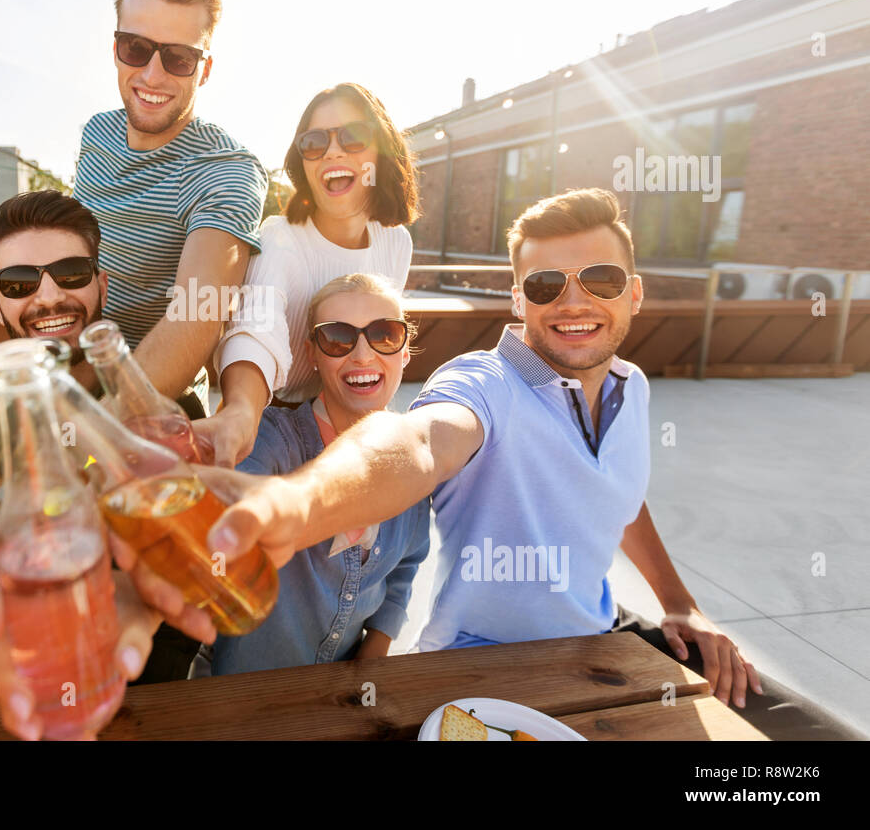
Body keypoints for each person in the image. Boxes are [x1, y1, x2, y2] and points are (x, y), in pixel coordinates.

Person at [200, 189, 858, 739]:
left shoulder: (633, 389)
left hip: (606, 637)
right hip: (493, 669)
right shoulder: (484, 384)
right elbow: (418, 444)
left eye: (597, 279)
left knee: (810, 740)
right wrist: (295, 504)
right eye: (547, 285)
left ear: (633, 293)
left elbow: (617, 497)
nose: (573, 302)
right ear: (520, 299)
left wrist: (683, 606)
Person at [0, 189, 213, 687]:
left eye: (70, 275)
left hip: (141, 695)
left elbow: (190, 584)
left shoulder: (163, 413)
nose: (47, 297)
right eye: (19, 283)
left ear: (101, 285)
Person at [199, 273, 429, 676]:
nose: (362, 355)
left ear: (405, 350)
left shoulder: (418, 452)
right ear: (313, 354)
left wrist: (370, 668)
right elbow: (230, 512)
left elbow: (404, 570)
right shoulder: (271, 438)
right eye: (338, 338)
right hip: (240, 694)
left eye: (385, 335)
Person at [73, 0, 267, 418]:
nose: (153, 75)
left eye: (179, 57)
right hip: (70, 374)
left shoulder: (226, 170)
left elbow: (196, 317)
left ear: (205, 69)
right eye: (136, 48)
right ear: (114, 47)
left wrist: (82, 437)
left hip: (153, 406)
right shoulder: (96, 133)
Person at [197, 82, 419, 468]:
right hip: (278, 425)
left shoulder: (396, 243)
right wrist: (240, 413)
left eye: (353, 137)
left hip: (353, 420)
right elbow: (255, 330)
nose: (332, 150)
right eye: (314, 142)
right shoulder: (280, 237)